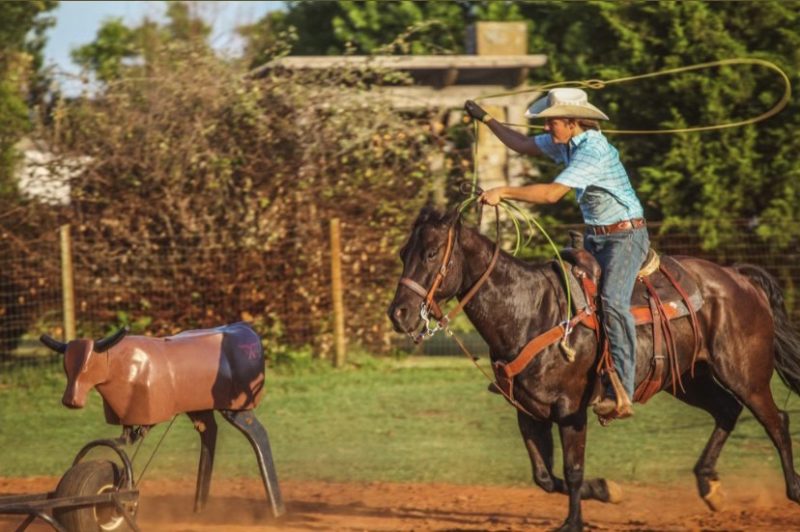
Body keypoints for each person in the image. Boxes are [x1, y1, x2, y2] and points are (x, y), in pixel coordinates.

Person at [464, 88, 649, 420]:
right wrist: (486, 118)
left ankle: (622, 387)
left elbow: (551, 195)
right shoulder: (565, 141)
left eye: (551, 122)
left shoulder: (593, 151)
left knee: (612, 301)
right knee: (558, 291)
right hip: (597, 236)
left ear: (572, 121)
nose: (546, 128)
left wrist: (504, 191)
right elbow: (521, 144)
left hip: (626, 236)